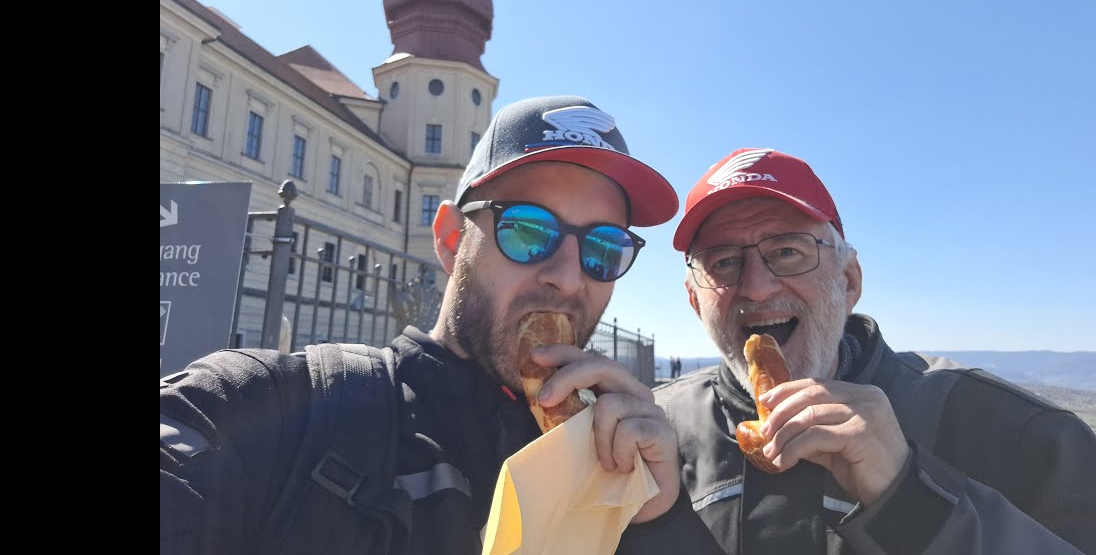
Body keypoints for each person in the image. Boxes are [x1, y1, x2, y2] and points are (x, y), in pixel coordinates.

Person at [160, 96, 698, 554]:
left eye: (604, 249)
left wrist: (656, 524)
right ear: (449, 239)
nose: (568, 277)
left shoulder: (614, 466)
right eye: (528, 230)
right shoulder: (271, 408)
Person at [634, 147, 1096, 554]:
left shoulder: (1019, 436)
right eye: (723, 262)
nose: (757, 288)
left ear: (848, 282)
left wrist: (913, 496)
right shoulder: (650, 433)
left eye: (787, 251)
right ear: (697, 301)